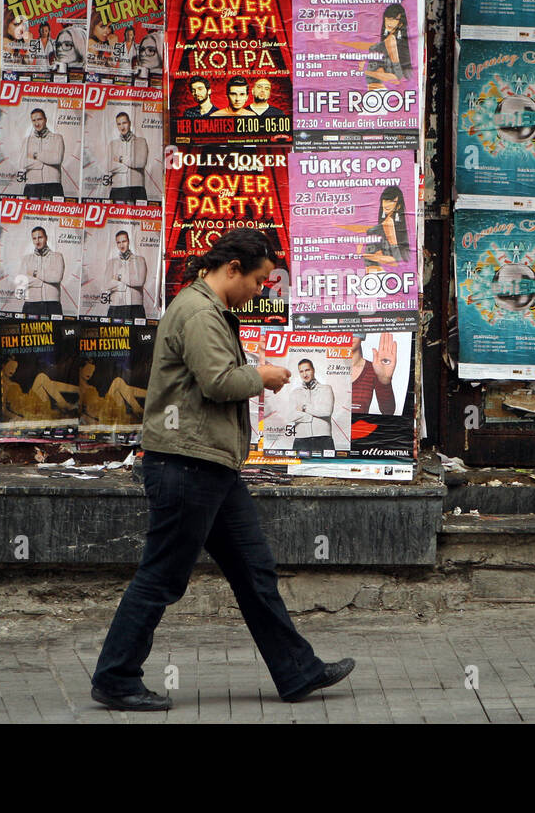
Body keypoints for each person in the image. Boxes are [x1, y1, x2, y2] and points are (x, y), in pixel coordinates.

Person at [90, 229, 354, 710]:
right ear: (232, 268)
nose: (261, 289)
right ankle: (116, 677)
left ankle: (298, 672)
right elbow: (218, 382)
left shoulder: (210, 311)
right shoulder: (196, 312)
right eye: (258, 279)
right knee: (162, 576)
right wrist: (265, 376)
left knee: (255, 572)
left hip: (212, 465)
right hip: (187, 465)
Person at [340, 184, 410, 269]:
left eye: (392, 201)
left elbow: (396, 260)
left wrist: (364, 255)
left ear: (398, 206)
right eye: (385, 200)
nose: (387, 204)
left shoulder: (391, 225)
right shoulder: (385, 225)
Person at [286, 359, 336, 453]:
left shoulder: (326, 389)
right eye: (301, 371)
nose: (305, 374)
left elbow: (326, 411)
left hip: (323, 439)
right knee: (296, 467)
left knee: (327, 467)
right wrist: (310, 416)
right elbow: (290, 415)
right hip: (301, 439)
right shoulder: (295, 393)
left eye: (307, 370)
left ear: (313, 370)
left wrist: (304, 408)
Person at [19, 226, 65, 316]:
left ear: (46, 238)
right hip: (31, 304)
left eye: (40, 237)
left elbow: (57, 277)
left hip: (52, 304)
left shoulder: (57, 256)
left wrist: (34, 273)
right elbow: (22, 280)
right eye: (34, 238)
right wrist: (42, 281)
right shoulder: (27, 259)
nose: (37, 241)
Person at [20, 108, 66, 198]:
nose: (37, 123)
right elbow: (23, 163)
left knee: (55, 212)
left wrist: (34, 155)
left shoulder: (57, 138)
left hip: (53, 185)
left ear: (45, 120)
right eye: (34, 120)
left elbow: (57, 159)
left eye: (39, 119)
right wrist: (46, 159)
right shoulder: (27, 140)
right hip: (32, 186)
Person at [103, 230, 148, 319]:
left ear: (128, 241)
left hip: (135, 306)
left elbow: (139, 281)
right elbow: (106, 284)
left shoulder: (140, 260)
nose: (121, 245)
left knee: (137, 332)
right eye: (118, 242)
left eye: (124, 241)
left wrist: (118, 277)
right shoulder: (111, 262)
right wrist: (129, 279)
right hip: (116, 306)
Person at [105, 112, 149, 202]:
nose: (122, 127)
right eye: (119, 124)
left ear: (130, 123)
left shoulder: (141, 141)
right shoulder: (112, 144)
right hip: (117, 188)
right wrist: (131, 164)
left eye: (124, 123)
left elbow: (140, 163)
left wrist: (120, 159)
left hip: (137, 188)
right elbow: (109, 166)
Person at [349, 334, 398, 415]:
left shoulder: (373, 369)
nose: (350, 335)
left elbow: (388, 411)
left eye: (355, 329)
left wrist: (384, 381)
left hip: (360, 426)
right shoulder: (326, 369)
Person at [367, 3, 412, 86]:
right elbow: (370, 78)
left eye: (394, 19)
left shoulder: (407, 47)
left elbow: (405, 80)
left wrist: (395, 58)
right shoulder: (376, 48)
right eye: (388, 18)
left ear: (401, 23)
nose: (389, 22)